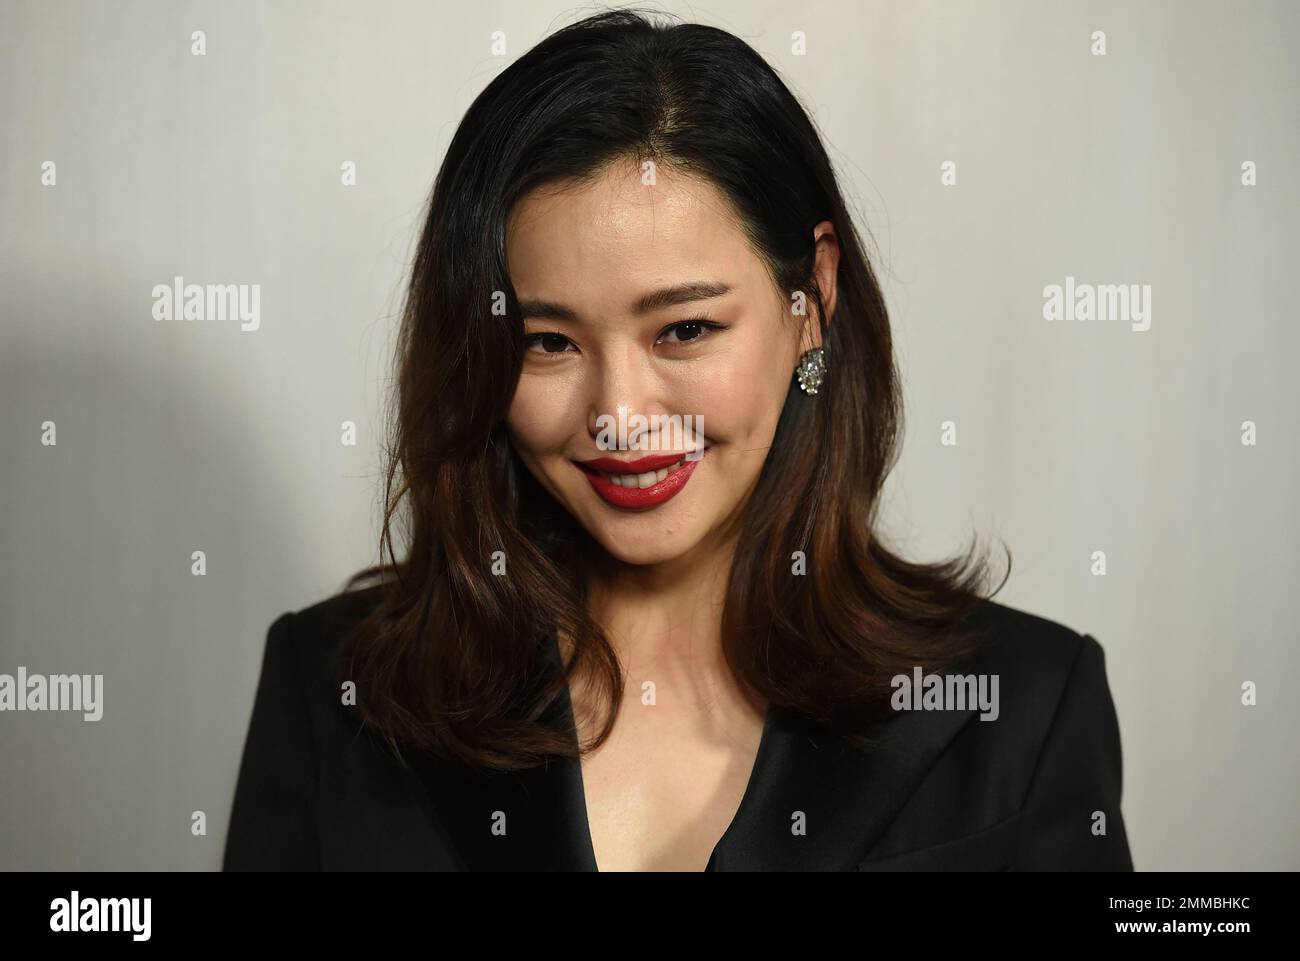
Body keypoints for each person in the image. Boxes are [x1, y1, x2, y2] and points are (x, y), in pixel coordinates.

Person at [224, 8, 1133, 872]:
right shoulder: (333, 691)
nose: (619, 414)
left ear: (810, 299)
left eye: (685, 330)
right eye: (548, 342)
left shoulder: (1022, 705)